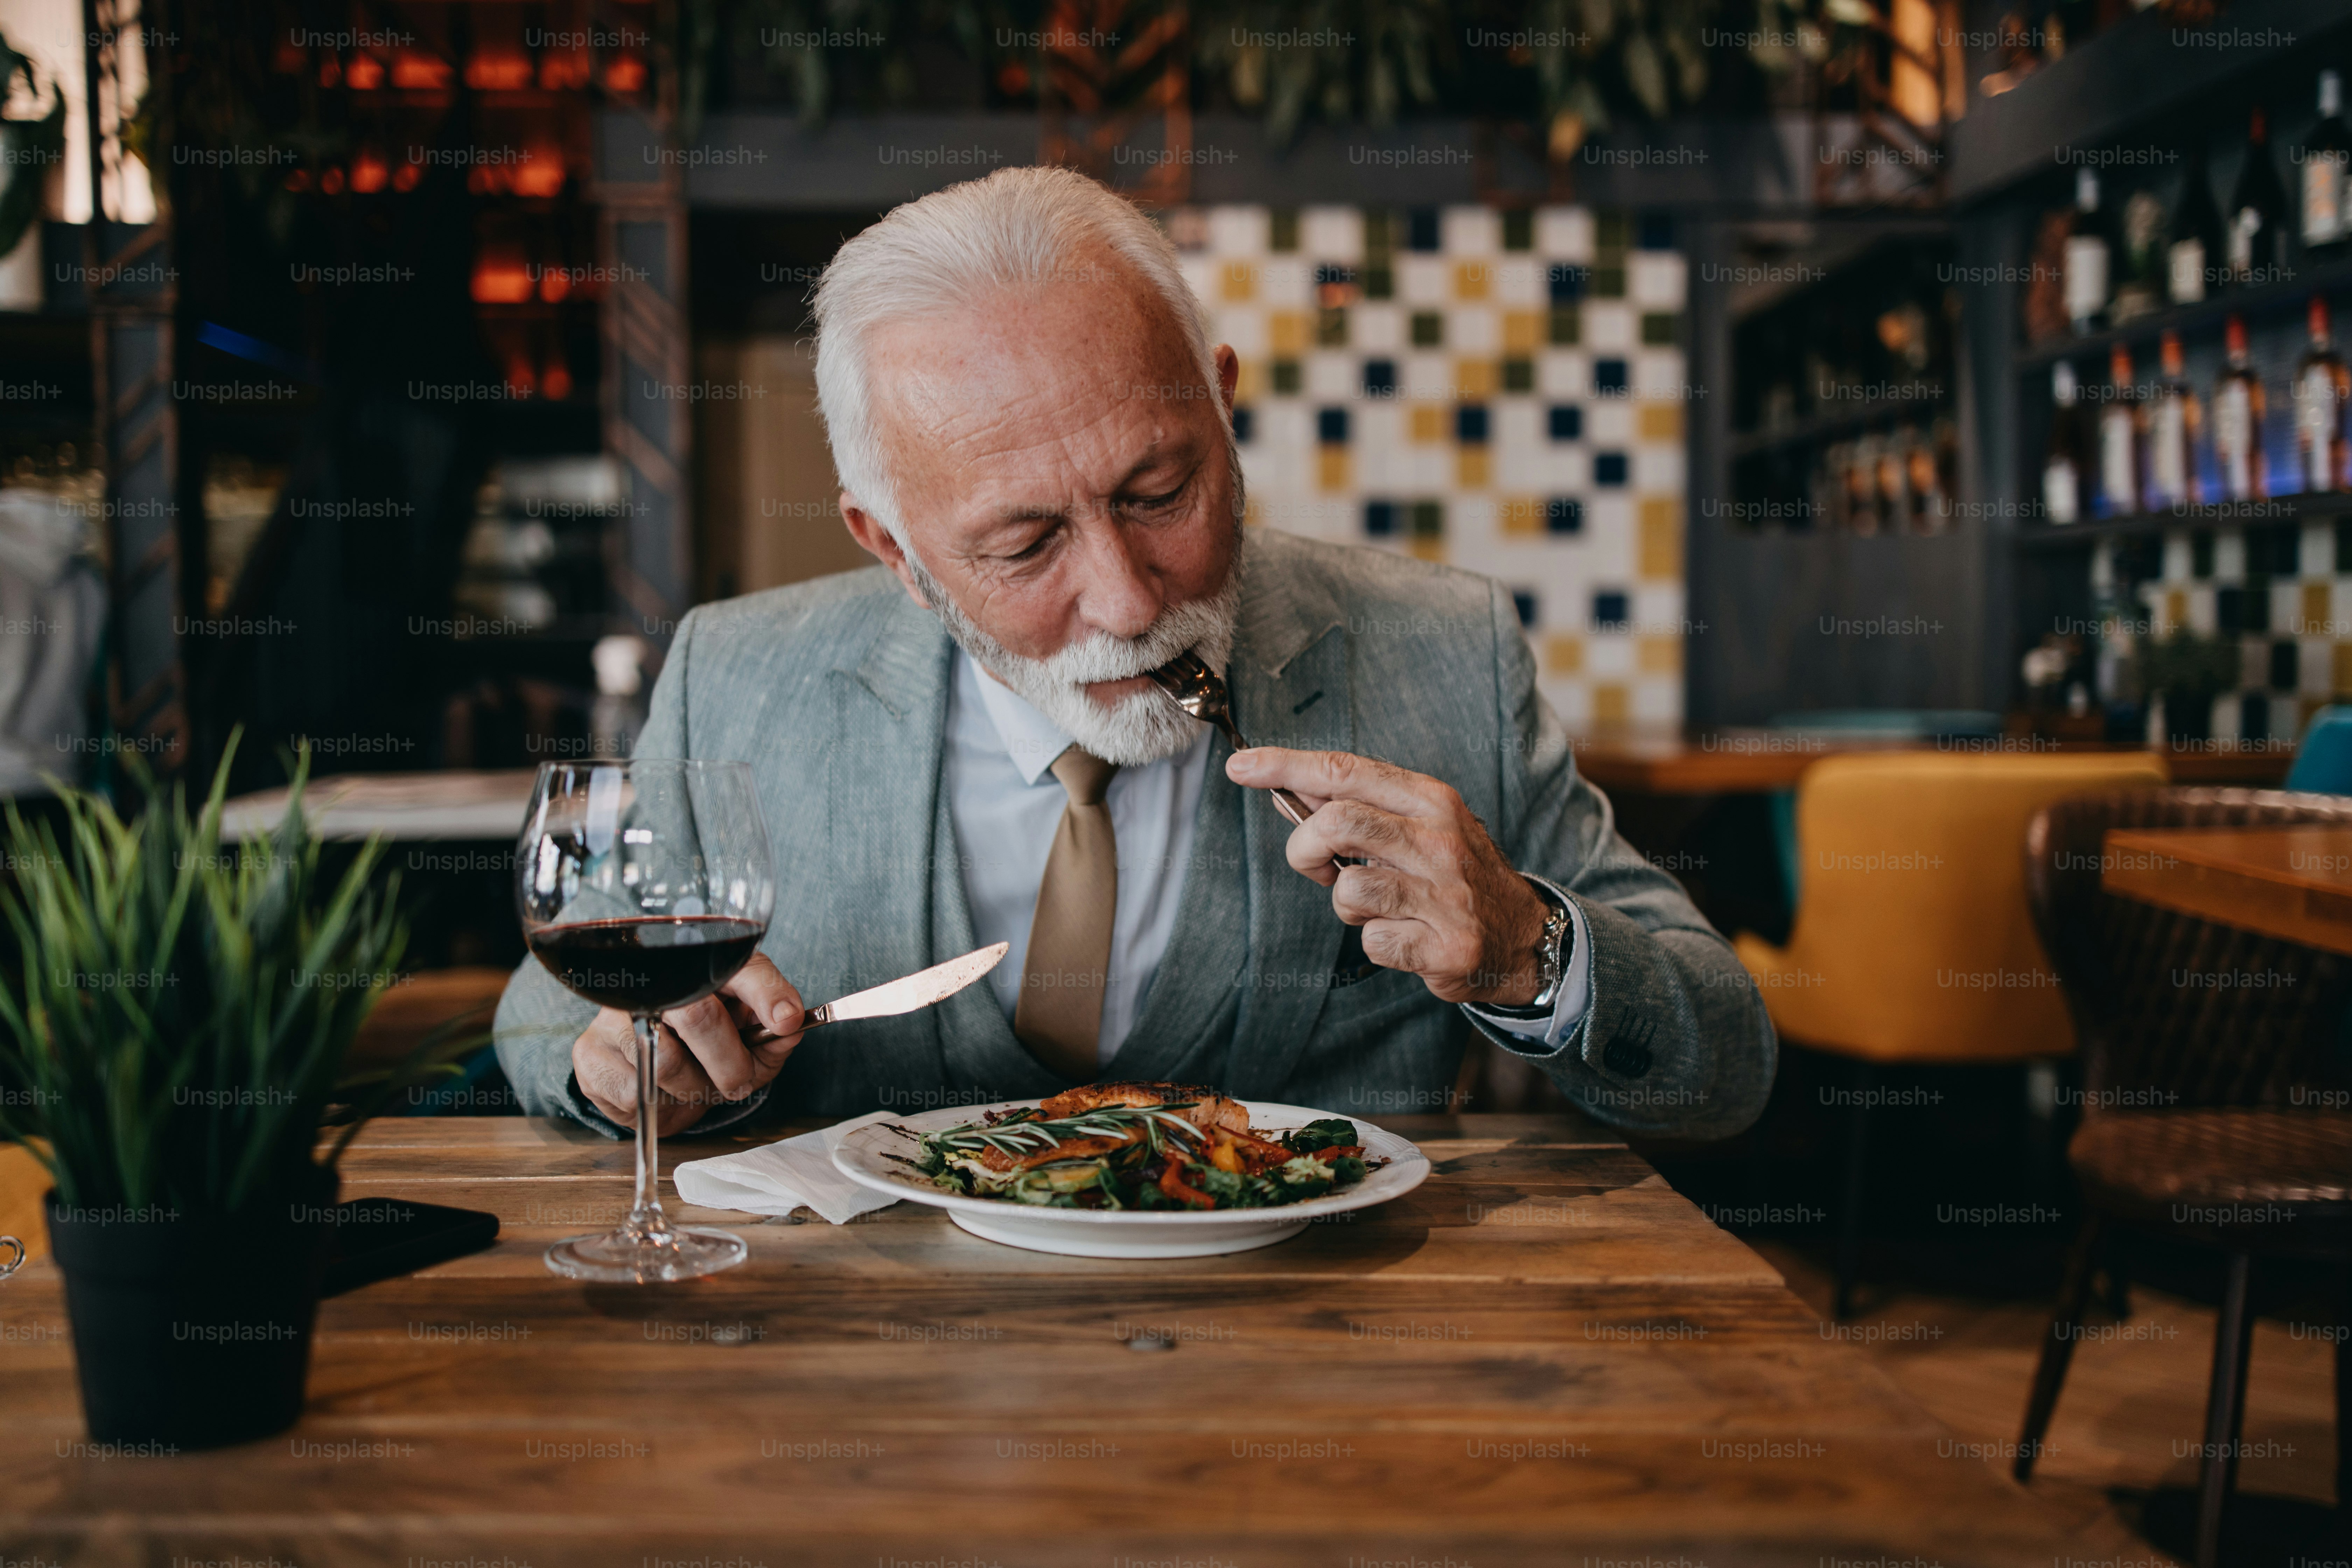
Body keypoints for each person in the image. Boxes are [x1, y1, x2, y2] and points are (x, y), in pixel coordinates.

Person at [493, 166, 1774, 1140]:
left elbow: (1729, 1063)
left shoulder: (1446, 652)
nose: (1122, 598)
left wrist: (1524, 948)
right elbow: (549, 1009)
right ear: (893, 547)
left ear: (1222, 405)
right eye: (1025, 542)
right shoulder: (736, 674)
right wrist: (620, 1065)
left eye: (1163, 491)